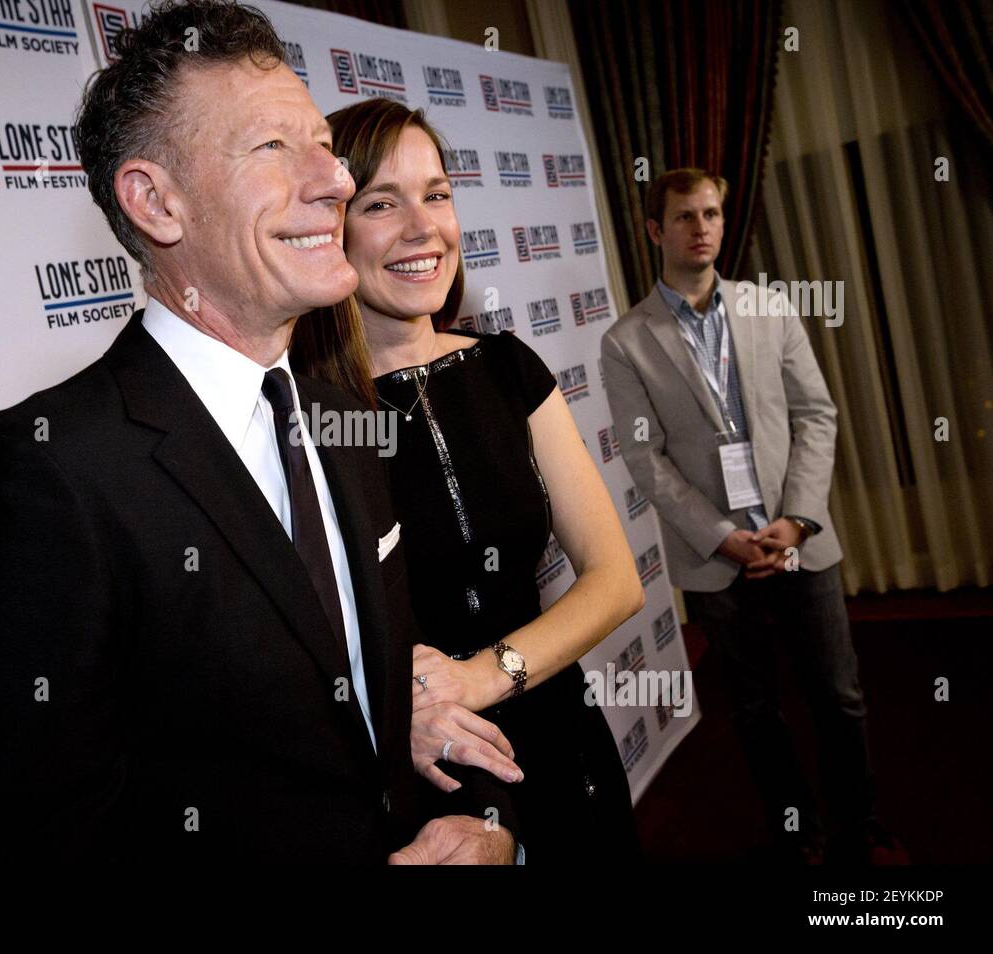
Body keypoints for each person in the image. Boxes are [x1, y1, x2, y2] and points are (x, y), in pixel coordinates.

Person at [0, 0, 521, 864]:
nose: (335, 180)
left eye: (322, 143)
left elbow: (380, 710)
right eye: (273, 148)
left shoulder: (347, 424)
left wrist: (488, 825)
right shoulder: (43, 474)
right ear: (157, 202)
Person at [292, 98, 646, 863]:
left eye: (438, 194)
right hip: (427, 771)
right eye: (382, 203)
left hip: (559, 734)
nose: (424, 229)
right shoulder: (306, 415)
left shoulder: (509, 366)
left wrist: (482, 677)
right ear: (335, 227)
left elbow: (616, 580)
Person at [600, 168, 903, 863]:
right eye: (684, 216)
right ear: (655, 230)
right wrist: (722, 536)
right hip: (714, 556)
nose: (701, 227)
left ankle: (859, 827)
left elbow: (816, 414)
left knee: (839, 695)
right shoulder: (626, 341)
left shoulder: (771, 309)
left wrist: (796, 519)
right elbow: (647, 461)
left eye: (711, 213)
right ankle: (797, 836)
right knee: (756, 709)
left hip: (799, 540)